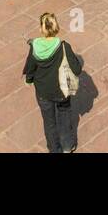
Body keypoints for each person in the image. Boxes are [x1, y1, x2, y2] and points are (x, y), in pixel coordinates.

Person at [23, 12, 83, 155]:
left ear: (41, 29)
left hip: (43, 93)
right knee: (64, 116)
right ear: (56, 28)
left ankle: (54, 150)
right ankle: (67, 146)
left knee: (49, 122)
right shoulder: (64, 47)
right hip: (62, 91)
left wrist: (29, 81)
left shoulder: (34, 47)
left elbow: (30, 69)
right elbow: (77, 69)